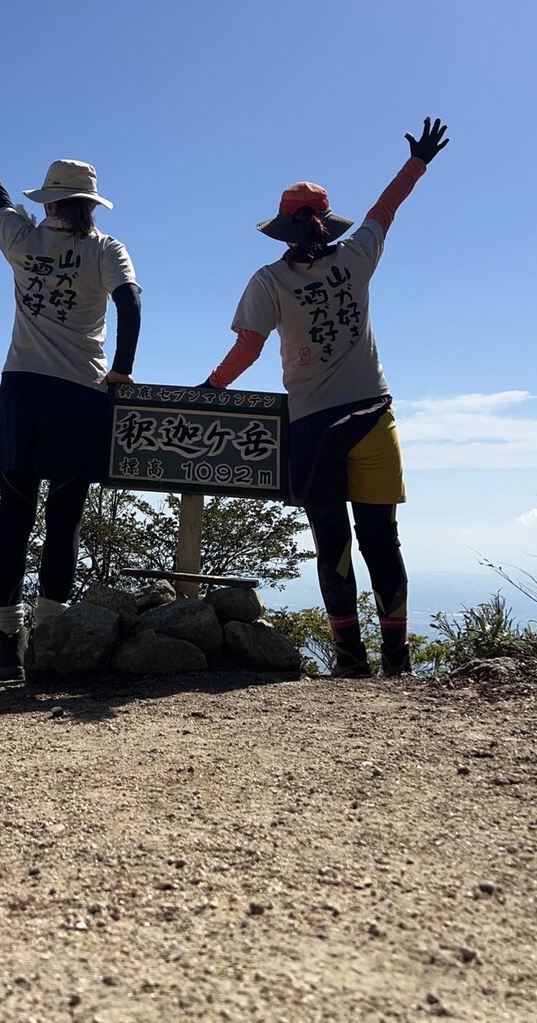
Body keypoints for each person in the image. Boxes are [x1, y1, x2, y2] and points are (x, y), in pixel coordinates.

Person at [202, 118, 449, 677]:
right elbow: (385, 209)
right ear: (323, 222)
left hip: (313, 425)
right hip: (373, 416)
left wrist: (211, 388)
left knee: (332, 540)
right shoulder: (357, 257)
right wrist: (418, 162)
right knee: (381, 538)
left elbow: (248, 349)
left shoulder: (268, 280)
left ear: (285, 230)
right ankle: (398, 661)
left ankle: (349, 660)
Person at [0, 93, 142, 680]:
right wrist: (122, 369)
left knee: (14, 515)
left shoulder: (22, 241)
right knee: (65, 518)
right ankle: (49, 637)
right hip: (82, 392)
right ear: (89, 205)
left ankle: (6, 643)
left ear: (51, 200)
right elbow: (130, 301)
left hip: (23, 391)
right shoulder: (107, 248)